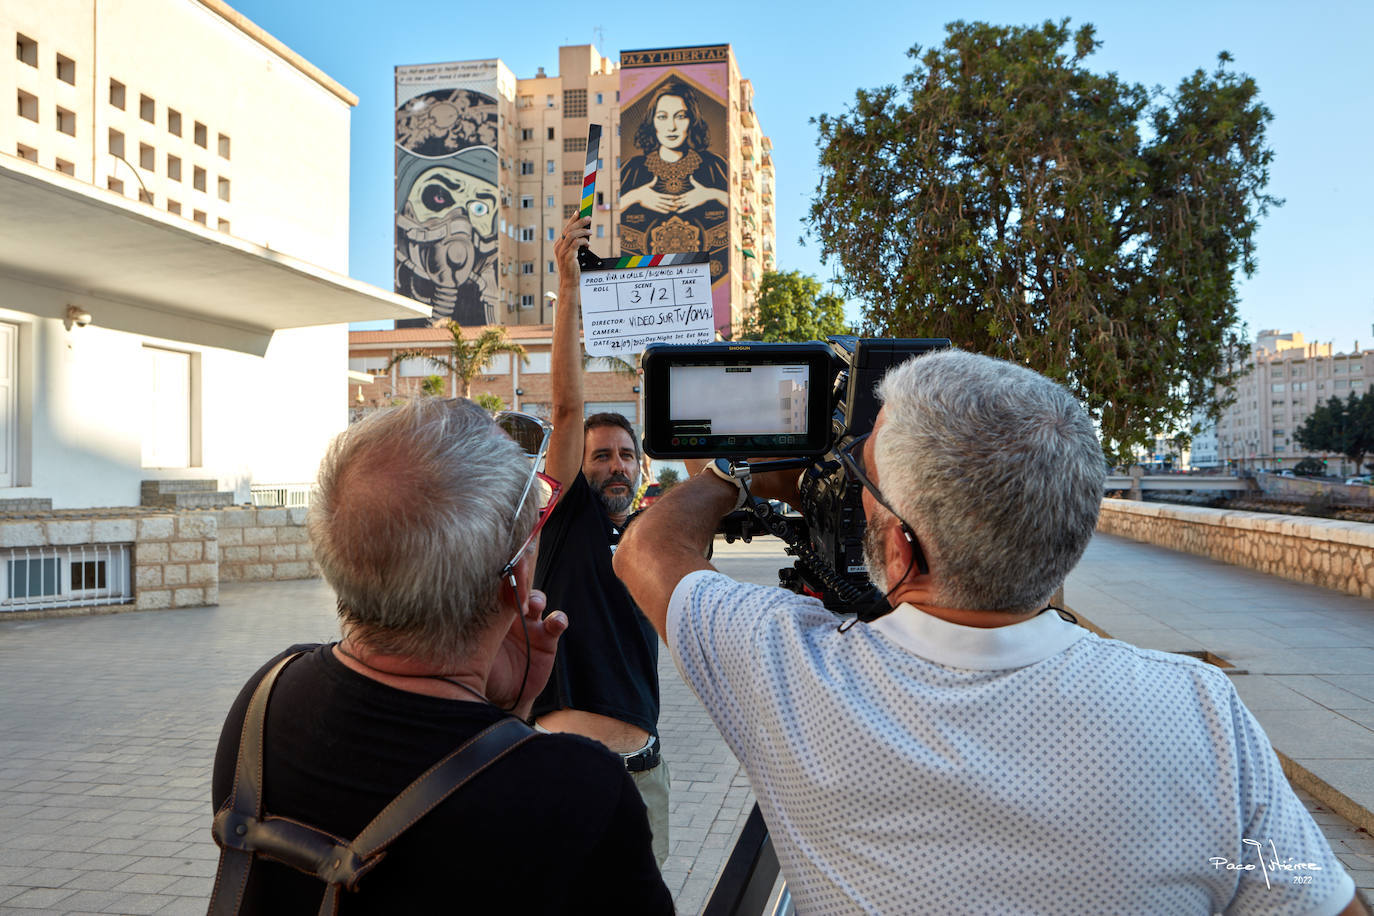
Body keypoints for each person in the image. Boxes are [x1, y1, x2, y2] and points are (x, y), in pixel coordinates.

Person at [614, 349, 1363, 915]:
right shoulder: (1204, 713)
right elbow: (1322, 899)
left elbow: (645, 550)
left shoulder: (784, 668)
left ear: (902, 550)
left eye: (861, 481)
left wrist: (735, 473)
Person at [212, 398, 672, 913]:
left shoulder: (263, 699)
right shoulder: (578, 788)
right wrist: (510, 722)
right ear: (520, 580)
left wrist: (509, 716)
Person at [530, 214, 670, 866]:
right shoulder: (564, 519)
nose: (615, 465)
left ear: (642, 468)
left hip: (644, 777)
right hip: (563, 779)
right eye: (600, 456)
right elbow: (566, 409)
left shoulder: (653, 533)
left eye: (625, 455)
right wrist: (569, 292)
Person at [619, 80, 729, 263]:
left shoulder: (714, 165)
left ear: (691, 120)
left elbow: (739, 211)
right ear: (652, 121)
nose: (672, 127)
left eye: (680, 116)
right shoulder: (632, 169)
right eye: (662, 117)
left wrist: (710, 194)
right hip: (643, 282)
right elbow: (604, 214)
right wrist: (636, 196)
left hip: (707, 281)